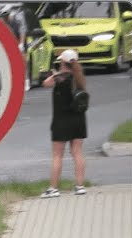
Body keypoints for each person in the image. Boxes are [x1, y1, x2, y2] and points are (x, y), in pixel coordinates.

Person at [42, 49, 87, 198]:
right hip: (78, 120)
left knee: (57, 156)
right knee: (77, 153)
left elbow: (45, 83)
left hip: (61, 121)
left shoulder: (59, 78)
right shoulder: (78, 78)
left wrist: (55, 73)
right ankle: (80, 186)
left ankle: (53, 188)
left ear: (62, 62)